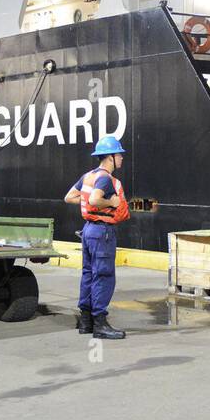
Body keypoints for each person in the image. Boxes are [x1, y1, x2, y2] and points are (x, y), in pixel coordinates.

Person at [63, 136, 130, 339]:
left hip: (88, 230)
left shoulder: (88, 176)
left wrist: (90, 206)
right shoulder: (105, 179)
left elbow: (69, 197)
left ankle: (86, 321)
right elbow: (94, 199)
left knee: (89, 274)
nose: (121, 158)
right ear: (109, 157)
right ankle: (100, 323)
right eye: (119, 155)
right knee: (104, 275)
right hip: (102, 232)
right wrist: (111, 202)